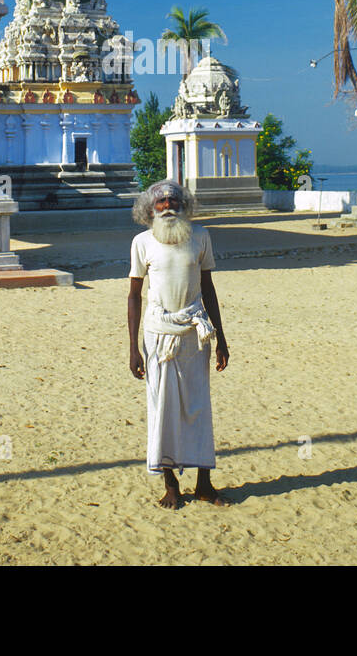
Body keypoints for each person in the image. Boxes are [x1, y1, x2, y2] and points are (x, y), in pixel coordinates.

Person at [128, 179, 230, 508]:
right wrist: (133, 348)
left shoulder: (200, 237)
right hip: (157, 334)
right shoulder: (142, 243)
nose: (167, 205)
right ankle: (170, 483)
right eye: (160, 201)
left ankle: (204, 483)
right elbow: (134, 295)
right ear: (149, 209)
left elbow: (208, 288)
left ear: (184, 204)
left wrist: (221, 338)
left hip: (195, 333)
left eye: (174, 200)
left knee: (198, 408)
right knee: (163, 409)